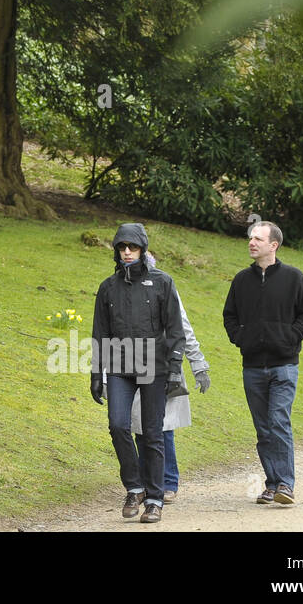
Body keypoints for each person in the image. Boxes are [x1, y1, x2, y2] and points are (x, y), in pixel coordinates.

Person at [90, 223, 186, 524]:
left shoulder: (162, 283)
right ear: (117, 251)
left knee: (152, 432)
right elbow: (100, 333)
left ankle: (155, 499)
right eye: (122, 247)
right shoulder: (108, 287)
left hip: (154, 368)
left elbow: (175, 330)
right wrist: (96, 373)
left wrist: (174, 369)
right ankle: (134, 487)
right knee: (118, 425)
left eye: (133, 247)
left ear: (143, 249)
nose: (127, 252)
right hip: (119, 368)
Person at [222, 220, 303, 505]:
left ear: (273, 245)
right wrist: (241, 338)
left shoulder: (294, 278)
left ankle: (285, 484)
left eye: (258, 239)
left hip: (284, 365)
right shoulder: (241, 280)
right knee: (263, 428)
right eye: (250, 238)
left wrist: (290, 337)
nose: (251, 243)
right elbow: (230, 316)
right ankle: (272, 484)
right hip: (252, 367)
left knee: (278, 421)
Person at [129, 252, 210, 503]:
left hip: (163, 364)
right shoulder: (122, 290)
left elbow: (183, 327)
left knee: (161, 426)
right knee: (139, 425)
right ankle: (146, 482)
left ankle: (168, 480)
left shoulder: (164, 287)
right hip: (132, 365)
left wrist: (198, 363)